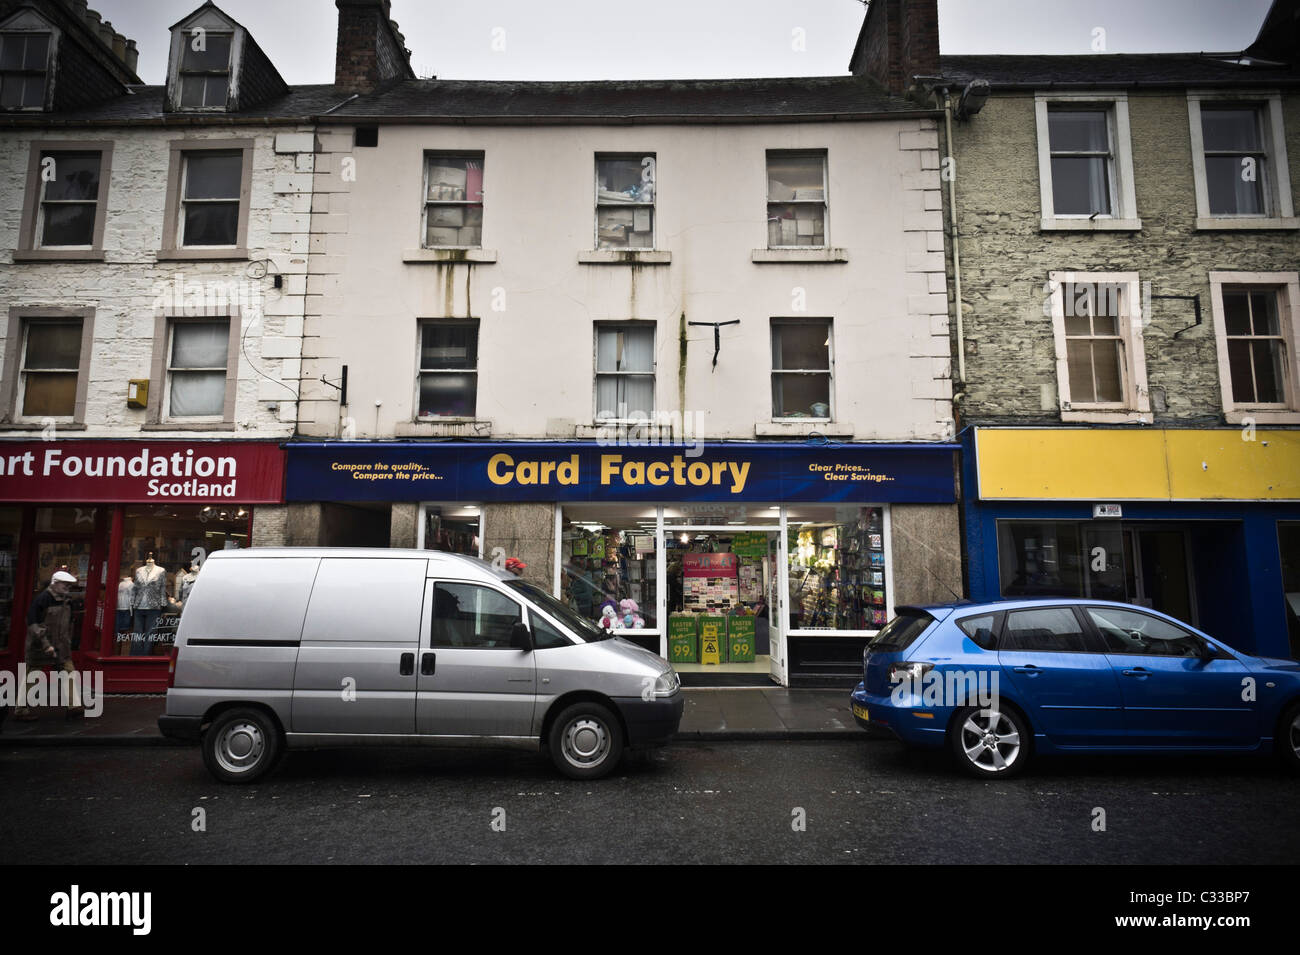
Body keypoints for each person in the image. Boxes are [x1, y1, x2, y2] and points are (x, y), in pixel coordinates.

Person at [16, 569, 83, 719]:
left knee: (69, 673)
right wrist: (46, 645)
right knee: (31, 676)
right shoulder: (42, 599)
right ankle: (20, 710)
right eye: (65, 584)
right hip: (39, 646)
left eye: (69, 585)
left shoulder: (67, 601)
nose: (67, 587)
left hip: (61, 647)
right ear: (55, 583)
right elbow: (33, 623)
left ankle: (74, 706)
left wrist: (67, 643)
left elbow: (68, 625)